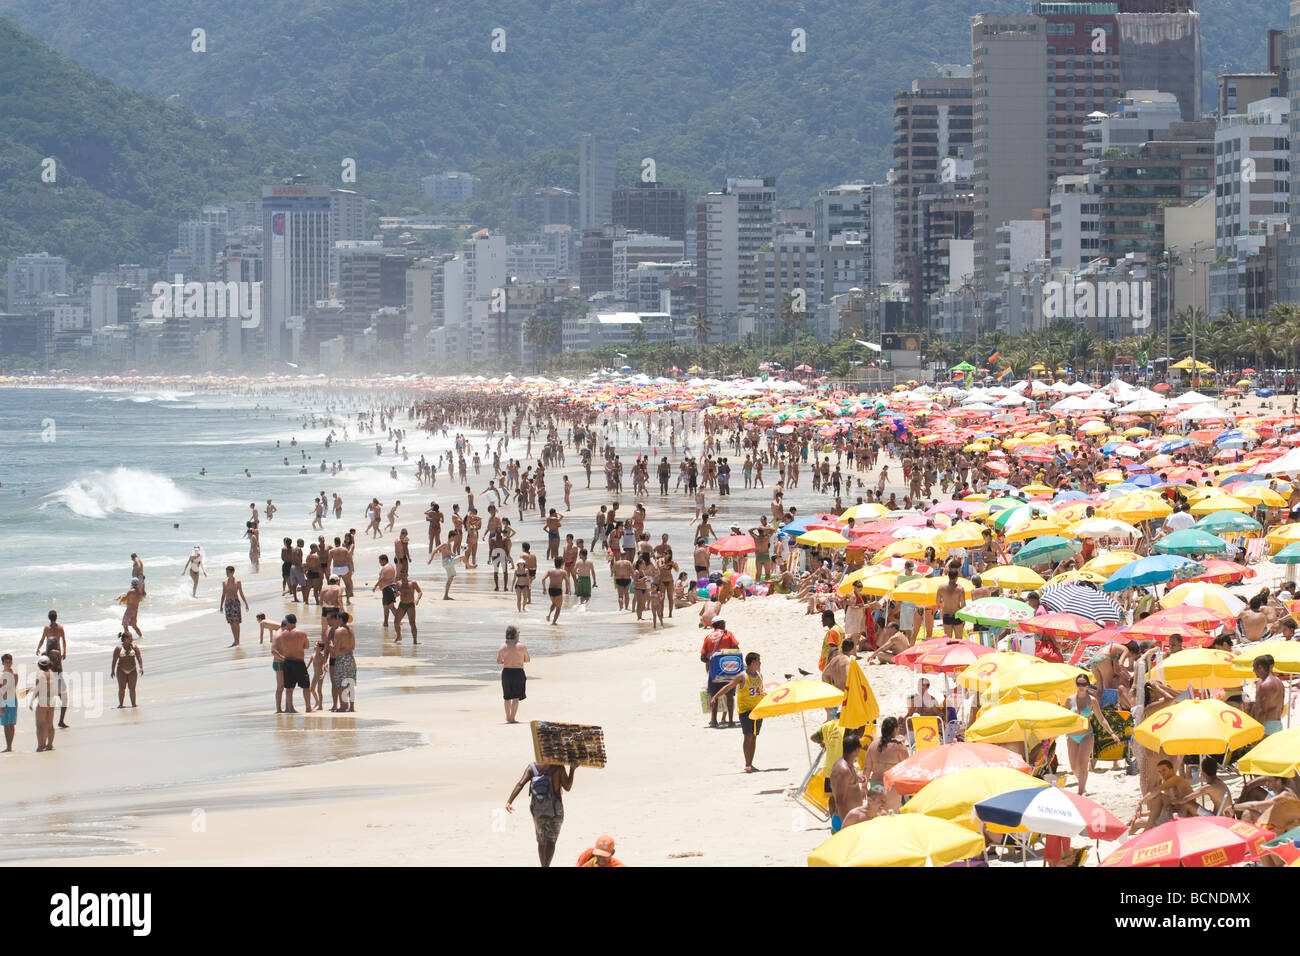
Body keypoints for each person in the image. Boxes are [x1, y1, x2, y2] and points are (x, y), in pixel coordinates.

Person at [505, 760, 577, 867]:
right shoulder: (558, 767)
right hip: (555, 811)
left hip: (537, 810)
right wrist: (572, 769)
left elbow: (520, 784)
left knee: (541, 840)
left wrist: (509, 801)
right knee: (551, 840)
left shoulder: (532, 767)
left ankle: (543, 865)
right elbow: (567, 787)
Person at [711, 652, 764, 772]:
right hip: (745, 710)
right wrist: (716, 696)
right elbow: (729, 686)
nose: (760, 663)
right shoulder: (742, 676)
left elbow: (760, 691)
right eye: (758, 661)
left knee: (754, 736)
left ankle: (751, 763)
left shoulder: (760, 675)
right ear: (753, 662)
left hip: (758, 709)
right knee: (748, 735)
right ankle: (748, 763)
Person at [1064, 675, 1115, 796]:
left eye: (1083, 684)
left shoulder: (1092, 700)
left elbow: (1101, 719)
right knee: (1074, 767)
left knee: (1082, 763)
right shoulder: (1069, 700)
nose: (1081, 687)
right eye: (1079, 684)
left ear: (1087, 685)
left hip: (1087, 735)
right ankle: (1082, 782)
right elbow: (1063, 718)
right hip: (1071, 735)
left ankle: (1080, 791)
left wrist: (1112, 733)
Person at [1128, 759, 1195, 833]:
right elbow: (1161, 807)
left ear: (1171, 770)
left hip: (1183, 814)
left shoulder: (1176, 779)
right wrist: (1142, 814)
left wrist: (1140, 802)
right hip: (1173, 813)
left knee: (1159, 797)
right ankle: (1121, 835)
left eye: (1164, 770)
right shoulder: (1166, 783)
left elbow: (1157, 790)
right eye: (1159, 772)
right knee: (1135, 822)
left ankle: (1146, 831)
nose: (1162, 774)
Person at [701, 620, 740, 727]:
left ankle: (714, 721)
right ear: (721, 624)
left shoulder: (708, 637)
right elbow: (736, 648)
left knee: (714, 695)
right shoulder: (728, 634)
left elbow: (703, 657)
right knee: (729, 695)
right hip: (728, 667)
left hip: (714, 670)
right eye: (723, 622)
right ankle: (731, 721)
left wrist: (712, 661)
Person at [273, 614, 313, 714]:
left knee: (289, 688)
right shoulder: (301, 633)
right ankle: (308, 708)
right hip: (299, 661)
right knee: (305, 686)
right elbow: (307, 646)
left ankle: (290, 709)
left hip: (287, 662)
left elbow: (279, 648)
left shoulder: (282, 634)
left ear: (287, 622)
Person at [26, 655, 63, 752]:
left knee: (40, 724)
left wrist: (31, 701)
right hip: (51, 700)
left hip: (43, 700)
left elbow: (38, 688)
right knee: (50, 723)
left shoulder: (40, 674)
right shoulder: (52, 673)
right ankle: (50, 745)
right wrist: (31, 688)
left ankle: (40, 746)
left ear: (39, 664)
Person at [498, 625, 530, 723]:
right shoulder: (521, 646)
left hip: (506, 672)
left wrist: (507, 661)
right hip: (518, 672)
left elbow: (499, 661)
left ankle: (508, 717)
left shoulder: (503, 646)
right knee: (516, 697)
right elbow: (527, 659)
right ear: (516, 634)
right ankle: (512, 718)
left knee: (507, 697)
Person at [1249, 655, 1286, 736]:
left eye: (1254, 668)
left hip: (1267, 724)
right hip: (1277, 722)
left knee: (1260, 748)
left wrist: (1256, 729)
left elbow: (1262, 709)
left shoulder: (1266, 684)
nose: (1253, 671)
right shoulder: (1279, 682)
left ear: (1260, 668)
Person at [110, 631, 144, 708]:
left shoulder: (135, 647)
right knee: (122, 689)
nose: (132, 639)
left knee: (132, 688)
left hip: (132, 670)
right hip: (121, 671)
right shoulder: (118, 648)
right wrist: (112, 671)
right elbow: (114, 660)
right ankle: (121, 705)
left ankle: (133, 704)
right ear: (125, 639)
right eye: (130, 638)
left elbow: (139, 658)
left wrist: (141, 667)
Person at [219, 566, 249, 647]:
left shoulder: (238, 582)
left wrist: (246, 603)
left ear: (232, 572)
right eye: (226, 572)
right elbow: (223, 594)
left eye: (228, 572)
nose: (227, 573)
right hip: (227, 603)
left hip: (235, 602)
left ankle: (238, 640)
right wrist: (221, 605)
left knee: (236, 622)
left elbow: (241, 593)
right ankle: (235, 640)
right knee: (231, 622)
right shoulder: (224, 582)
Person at [0, 654, 17, 752]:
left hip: (12, 700)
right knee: (5, 724)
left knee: (11, 723)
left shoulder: (15, 674)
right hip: (2, 700)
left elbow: (12, 689)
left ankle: (10, 746)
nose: (8, 664)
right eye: (6, 662)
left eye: (10, 662)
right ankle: (8, 746)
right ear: (2, 663)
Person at [543, 558, 567, 625]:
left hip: (551, 590)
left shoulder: (550, 571)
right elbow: (567, 582)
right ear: (562, 563)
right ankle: (553, 622)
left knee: (554, 603)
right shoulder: (563, 572)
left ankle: (549, 614)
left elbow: (543, 579)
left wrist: (544, 588)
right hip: (558, 590)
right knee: (558, 607)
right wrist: (568, 590)